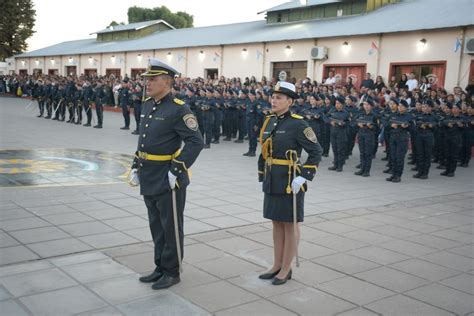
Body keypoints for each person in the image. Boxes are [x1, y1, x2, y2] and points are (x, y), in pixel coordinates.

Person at [128, 59, 204, 289]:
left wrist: (176, 169)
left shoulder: (179, 108)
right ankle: (160, 266)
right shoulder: (148, 104)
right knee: (156, 224)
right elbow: (144, 140)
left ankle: (172, 271)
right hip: (149, 172)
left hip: (167, 176)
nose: (147, 83)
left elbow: (195, 142)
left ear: (167, 82)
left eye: (152, 79)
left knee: (170, 225)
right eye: (146, 79)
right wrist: (135, 165)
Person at [257, 81, 322, 285]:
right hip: (273, 178)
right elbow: (264, 151)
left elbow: (316, 151)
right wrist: (262, 175)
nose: (274, 100)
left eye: (279, 98)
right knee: (276, 222)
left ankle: (286, 268)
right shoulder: (269, 121)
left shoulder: (298, 123)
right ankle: (276, 264)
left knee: (289, 224)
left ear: (290, 101)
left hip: (290, 179)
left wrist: (304, 176)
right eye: (273, 97)